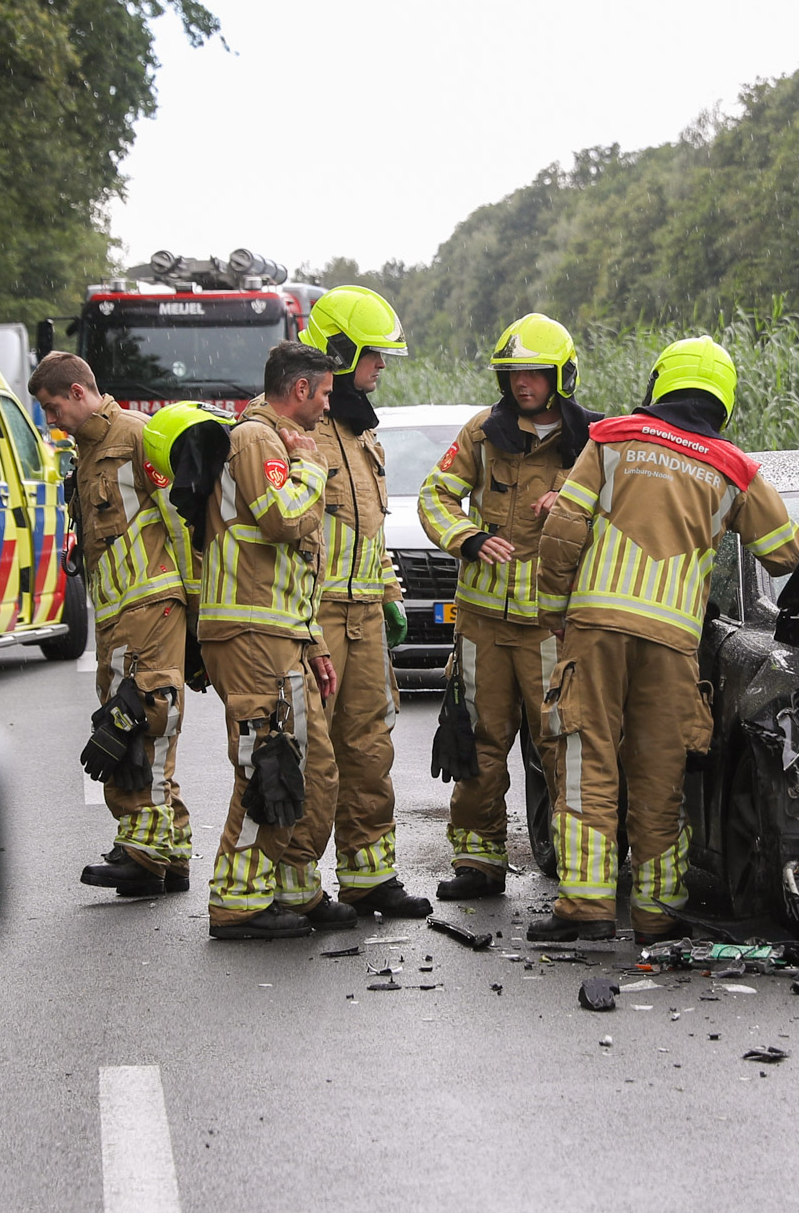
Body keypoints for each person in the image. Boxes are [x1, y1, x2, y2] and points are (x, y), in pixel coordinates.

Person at [531, 336, 799, 943]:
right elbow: (788, 554)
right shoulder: (733, 467)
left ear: (660, 382)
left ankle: (587, 908)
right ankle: (657, 915)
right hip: (674, 642)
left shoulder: (612, 438)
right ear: (723, 397)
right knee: (661, 774)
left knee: (587, 759)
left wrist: (555, 609)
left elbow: (563, 528)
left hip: (598, 627)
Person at [418, 313, 597, 899]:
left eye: (535, 375)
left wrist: (569, 500)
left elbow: (617, 512)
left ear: (560, 376)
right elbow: (434, 495)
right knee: (479, 740)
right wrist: (466, 537)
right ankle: (478, 862)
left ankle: (579, 868)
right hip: (482, 628)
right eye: (514, 374)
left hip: (552, 629)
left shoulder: (592, 443)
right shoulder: (480, 432)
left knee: (562, 746)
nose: (523, 385)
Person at [196, 342, 357, 939]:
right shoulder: (259, 440)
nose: (324, 407)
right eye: (323, 395)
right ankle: (237, 901)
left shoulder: (274, 441)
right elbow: (283, 520)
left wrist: (313, 643)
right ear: (299, 391)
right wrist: (312, 465)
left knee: (311, 766)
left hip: (281, 632)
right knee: (266, 768)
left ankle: (294, 887)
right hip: (251, 633)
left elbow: (295, 564)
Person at [29, 352, 194, 898]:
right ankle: (163, 850)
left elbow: (182, 520)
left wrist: (193, 605)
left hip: (150, 607)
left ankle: (143, 855)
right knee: (130, 722)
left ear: (79, 392)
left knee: (138, 721)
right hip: (118, 615)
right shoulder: (86, 449)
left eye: (54, 408)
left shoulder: (138, 437)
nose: (51, 421)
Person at [296, 287, 432, 919]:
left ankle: (369, 879)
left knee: (370, 750)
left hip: (366, 617)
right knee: (305, 756)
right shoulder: (288, 430)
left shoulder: (360, 435)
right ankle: (293, 887)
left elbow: (367, 532)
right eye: (373, 357)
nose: (380, 369)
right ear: (339, 352)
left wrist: (389, 594)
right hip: (313, 621)